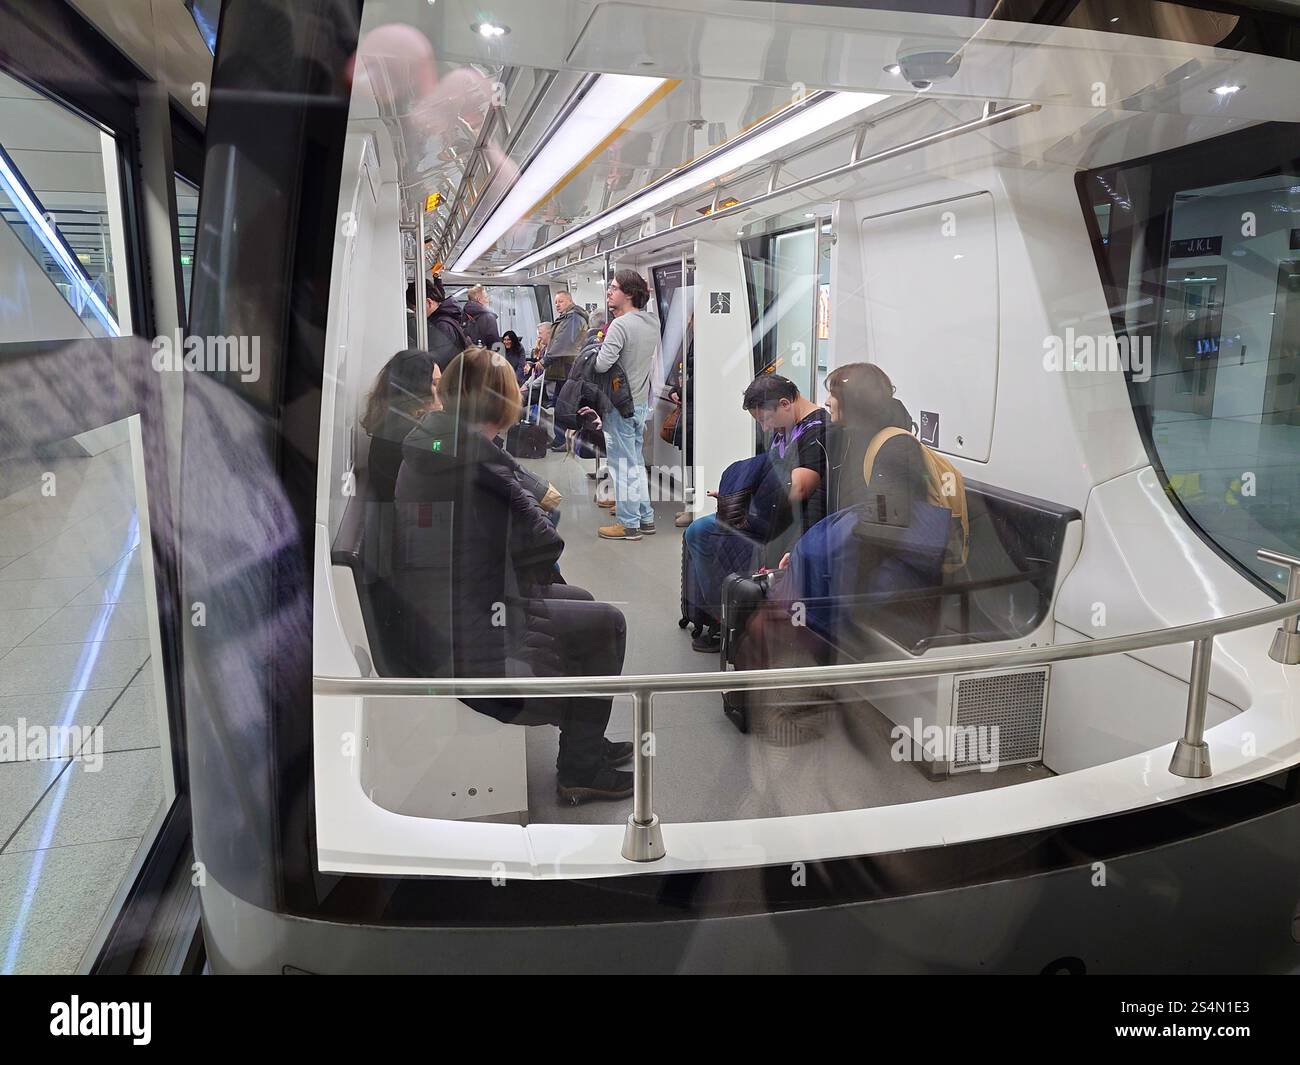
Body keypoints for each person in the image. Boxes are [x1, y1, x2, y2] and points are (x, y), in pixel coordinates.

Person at [391, 347, 634, 803]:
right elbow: (544, 545)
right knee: (607, 623)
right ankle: (581, 768)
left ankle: (585, 737)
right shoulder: (476, 465)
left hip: (447, 608)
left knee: (581, 599)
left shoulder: (434, 445)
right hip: (478, 637)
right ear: (503, 405)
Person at [683, 374, 829, 651]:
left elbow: (797, 489)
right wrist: (736, 496)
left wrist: (747, 499)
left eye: (766, 419)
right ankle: (721, 614)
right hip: (766, 516)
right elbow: (772, 474)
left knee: (701, 534)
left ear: (785, 404)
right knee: (698, 532)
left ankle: (724, 617)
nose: (765, 427)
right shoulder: (787, 427)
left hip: (786, 527)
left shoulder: (817, 432)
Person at [595, 269, 660, 541]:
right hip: (640, 403)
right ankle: (645, 517)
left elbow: (601, 364)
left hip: (619, 406)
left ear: (630, 294)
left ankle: (628, 524)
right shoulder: (652, 323)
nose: (609, 292)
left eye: (614, 288)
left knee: (622, 465)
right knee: (634, 462)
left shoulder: (620, 326)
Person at [361, 348, 442, 504]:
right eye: (435, 383)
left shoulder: (392, 424)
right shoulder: (410, 437)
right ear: (416, 387)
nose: (442, 390)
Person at [545, 291, 590, 450]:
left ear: (570, 301)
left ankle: (562, 440)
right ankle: (562, 439)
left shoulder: (573, 318)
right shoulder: (568, 317)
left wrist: (546, 360)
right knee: (562, 404)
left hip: (568, 368)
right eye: (556, 302)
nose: (557, 304)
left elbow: (563, 344)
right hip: (564, 368)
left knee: (563, 405)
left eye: (561, 301)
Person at [406, 276, 469, 369]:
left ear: (428, 302)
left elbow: (437, 362)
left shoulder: (442, 326)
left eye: (415, 309)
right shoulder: (442, 319)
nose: (415, 315)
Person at [462, 285, 502, 351]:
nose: (488, 300)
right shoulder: (489, 317)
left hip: (468, 356)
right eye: (486, 297)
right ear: (479, 299)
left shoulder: (463, 314)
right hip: (484, 357)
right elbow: (495, 344)